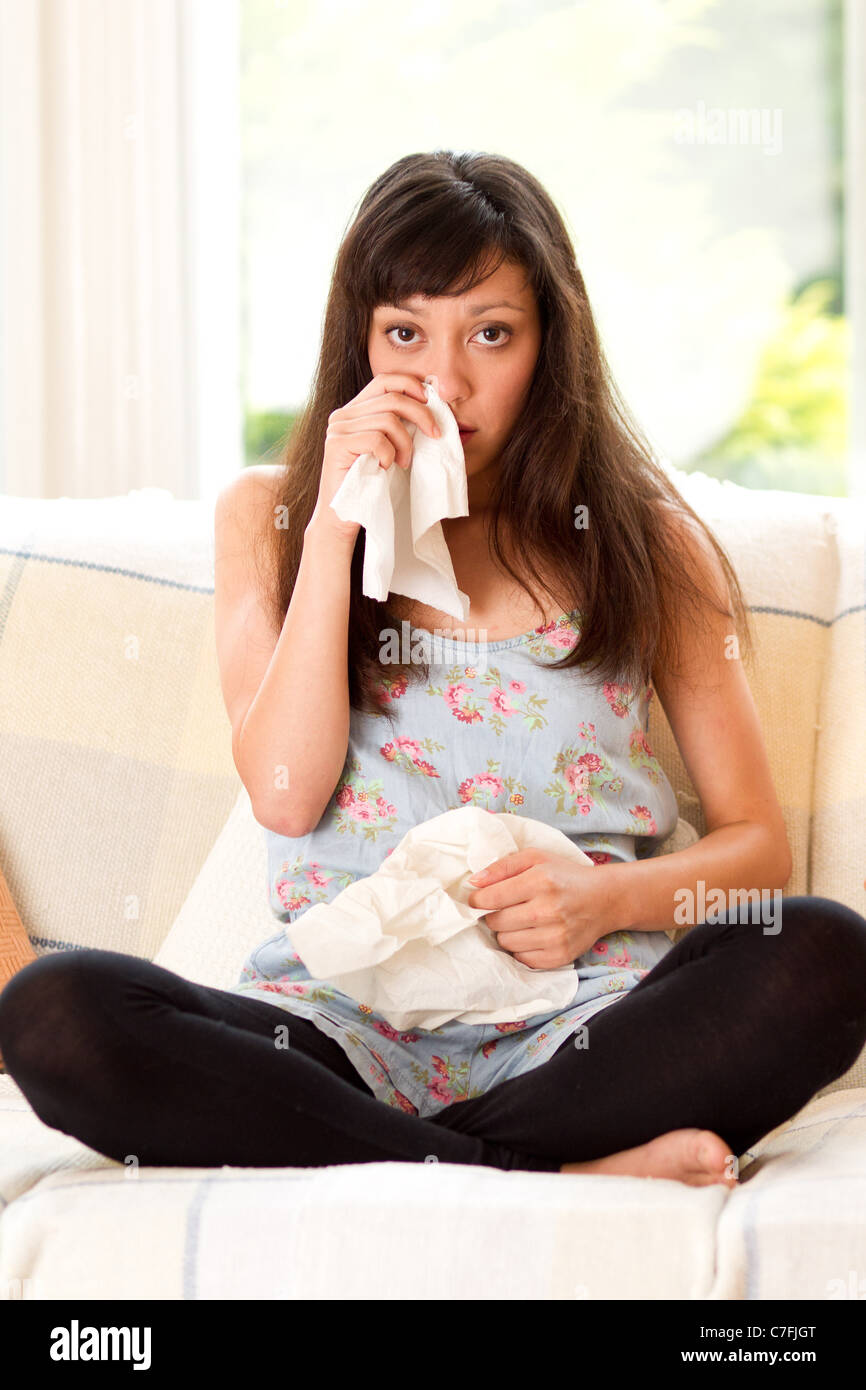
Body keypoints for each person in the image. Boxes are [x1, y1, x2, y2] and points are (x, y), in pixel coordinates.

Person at [1, 150, 865, 1187]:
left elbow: (757, 850)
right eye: (405, 333)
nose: (445, 384)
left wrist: (603, 901)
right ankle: (537, 1167)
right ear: (360, 339)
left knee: (822, 952)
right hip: (332, 1035)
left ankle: (445, 1153)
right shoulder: (269, 520)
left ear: (550, 343)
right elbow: (283, 795)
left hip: (582, 1024)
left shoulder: (644, 544)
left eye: (489, 334)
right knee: (55, 1014)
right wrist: (331, 528)